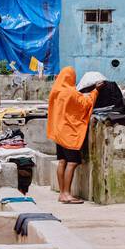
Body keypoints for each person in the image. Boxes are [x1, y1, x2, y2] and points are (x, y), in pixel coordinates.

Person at [47, 67, 98, 204]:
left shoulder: (56, 91)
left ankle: (61, 193)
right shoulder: (70, 92)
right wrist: (95, 91)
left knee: (62, 161)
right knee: (73, 162)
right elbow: (84, 104)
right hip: (69, 132)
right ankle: (66, 194)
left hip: (58, 131)